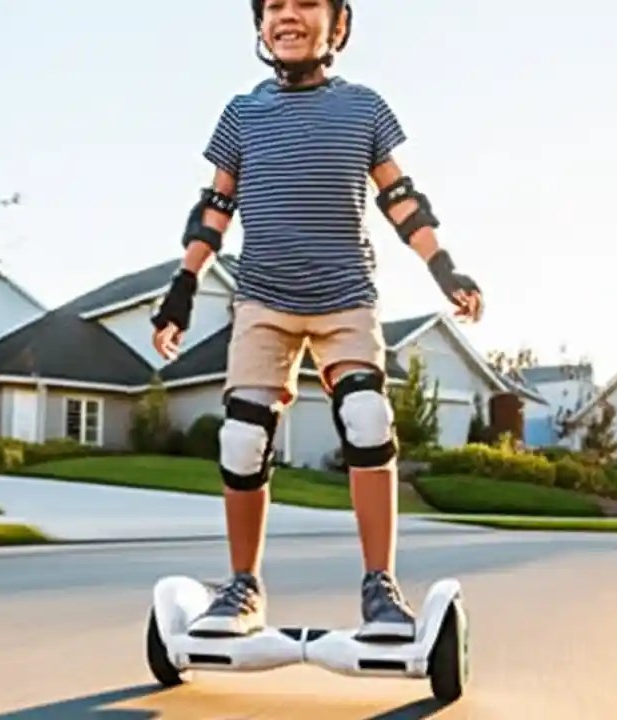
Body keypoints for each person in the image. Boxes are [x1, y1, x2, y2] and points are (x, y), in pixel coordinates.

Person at [150, 0, 483, 643]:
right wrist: (182, 285)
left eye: (306, 4)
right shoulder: (241, 114)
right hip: (263, 301)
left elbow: (400, 197)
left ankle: (380, 587)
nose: (288, 16)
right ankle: (243, 586)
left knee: (367, 418)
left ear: (339, 26)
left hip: (344, 297)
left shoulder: (364, 108)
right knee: (242, 441)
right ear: (259, 25)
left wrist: (444, 268)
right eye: (275, 6)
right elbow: (215, 205)